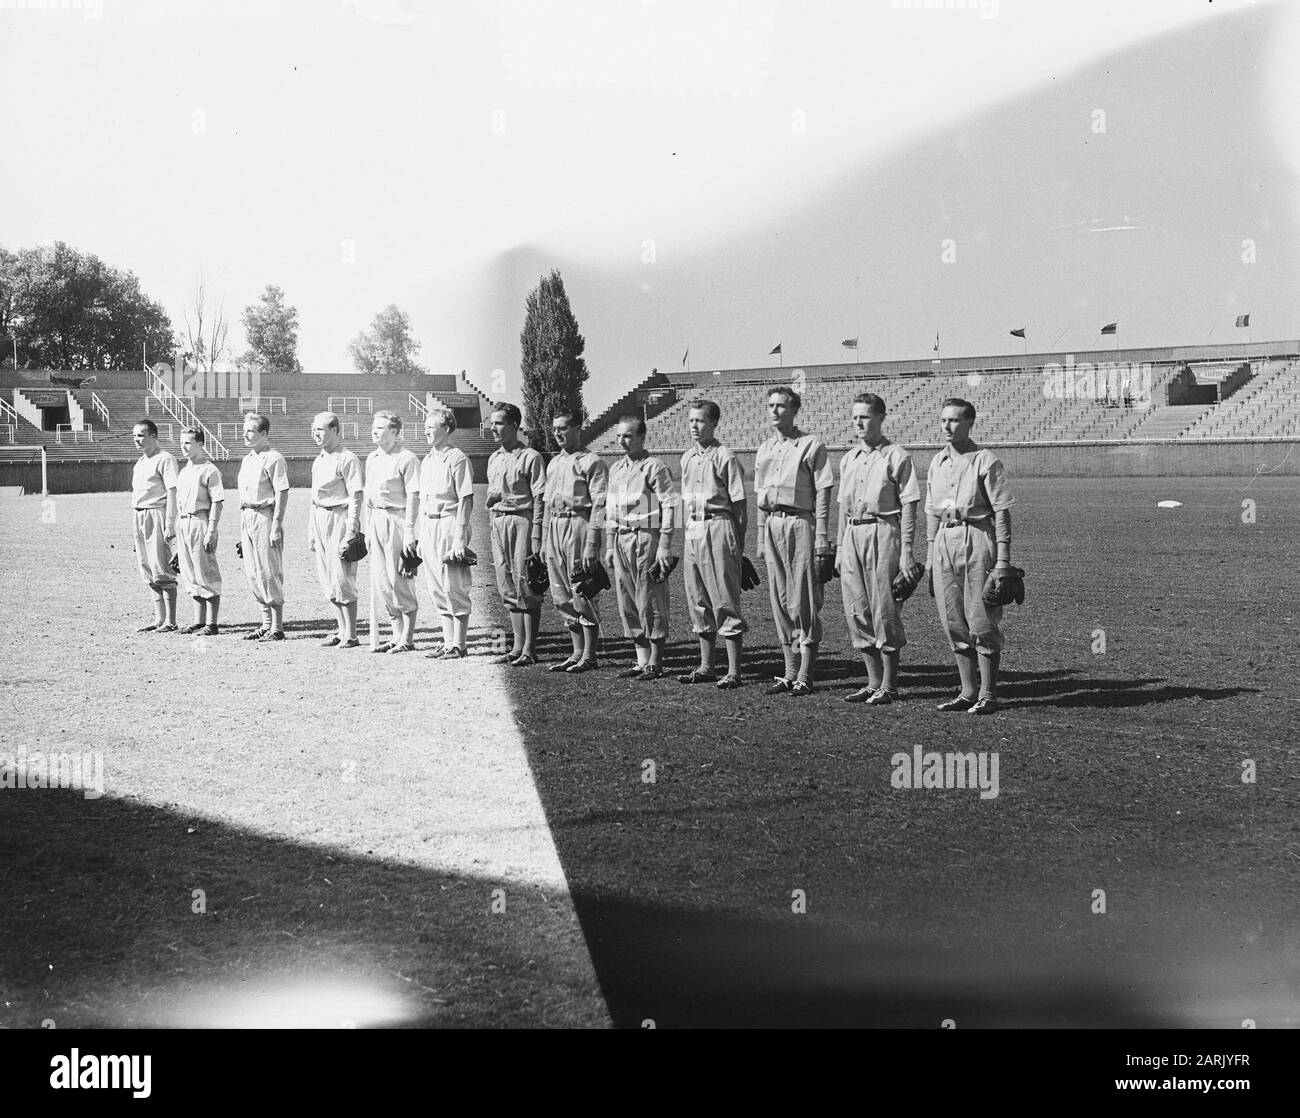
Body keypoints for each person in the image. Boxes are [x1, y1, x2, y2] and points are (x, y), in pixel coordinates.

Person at [924, 397, 1016, 715]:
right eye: (943, 420)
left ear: (969, 423)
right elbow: (931, 512)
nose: (947, 426)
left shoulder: (986, 461)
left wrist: (1002, 561)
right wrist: (929, 558)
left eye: (954, 420)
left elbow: (1002, 512)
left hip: (977, 537)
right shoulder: (937, 462)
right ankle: (966, 691)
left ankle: (988, 694)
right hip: (944, 543)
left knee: (981, 620)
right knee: (953, 621)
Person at [836, 393, 921, 704]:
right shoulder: (848, 459)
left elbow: (910, 504)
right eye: (855, 416)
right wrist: (839, 548)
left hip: (883, 531)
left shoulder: (897, 456)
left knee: (884, 609)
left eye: (866, 417)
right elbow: (843, 509)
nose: (859, 423)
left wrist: (907, 552)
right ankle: (872, 683)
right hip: (852, 536)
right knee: (856, 610)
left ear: (881, 418)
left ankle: (889, 684)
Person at [754, 386, 834, 696]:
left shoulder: (811, 445)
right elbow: (761, 496)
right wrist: (762, 535)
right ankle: (788, 670)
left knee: (803, 598)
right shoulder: (764, 449)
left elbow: (824, 491)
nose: (775, 411)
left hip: (801, 523)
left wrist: (823, 535)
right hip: (773, 525)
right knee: (779, 597)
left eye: (782, 406)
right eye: (771, 405)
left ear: (795, 409)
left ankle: (805, 672)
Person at [677, 399, 748, 689]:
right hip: (694, 528)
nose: (695, 426)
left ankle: (734, 671)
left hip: (719, 525)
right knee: (697, 598)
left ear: (714, 423)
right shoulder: (686, 458)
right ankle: (706, 666)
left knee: (724, 598)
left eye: (701, 421)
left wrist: (738, 549)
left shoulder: (725, 457)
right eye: (692, 420)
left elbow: (740, 508)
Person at [605, 415, 678, 680]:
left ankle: (656, 662)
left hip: (646, 535)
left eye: (628, 436)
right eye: (619, 436)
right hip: (622, 537)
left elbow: (670, 505)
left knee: (650, 597)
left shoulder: (654, 467)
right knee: (627, 600)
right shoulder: (616, 469)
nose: (622, 441)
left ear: (641, 437)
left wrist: (664, 544)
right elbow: (611, 508)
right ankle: (641, 659)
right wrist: (610, 544)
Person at [543, 409, 608, 673]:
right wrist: (545, 539)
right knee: (561, 593)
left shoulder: (591, 461)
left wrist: (593, 542)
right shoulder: (554, 462)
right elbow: (547, 503)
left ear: (577, 428)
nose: (558, 433)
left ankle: (590, 655)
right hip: (556, 525)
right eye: (555, 429)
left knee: (581, 587)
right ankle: (576, 652)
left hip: (579, 523)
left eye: (563, 428)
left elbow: (601, 504)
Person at [485, 403, 547, 665]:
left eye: (499, 423)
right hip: (498, 521)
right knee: (506, 584)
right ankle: (516, 647)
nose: (493, 428)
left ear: (514, 426)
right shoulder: (494, 458)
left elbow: (540, 497)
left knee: (526, 583)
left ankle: (530, 649)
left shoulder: (530, 456)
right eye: (492, 423)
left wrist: (536, 535)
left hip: (522, 519)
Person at [418, 404, 475, 659]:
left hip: (450, 522)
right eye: (426, 426)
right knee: (435, 586)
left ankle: (460, 644)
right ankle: (447, 641)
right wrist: (420, 535)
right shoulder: (428, 459)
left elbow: (466, 498)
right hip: (429, 524)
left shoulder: (457, 458)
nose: (426, 430)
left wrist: (460, 537)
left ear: (447, 428)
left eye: (432, 426)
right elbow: (422, 500)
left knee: (454, 584)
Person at [364, 409, 421, 653]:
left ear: (395, 432)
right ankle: (396, 634)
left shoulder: (406, 458)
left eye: (380, 428)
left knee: (399, 579)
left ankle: (407, 639)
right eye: (373, 427)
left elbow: (413, 496)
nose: (374, 431)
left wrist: (409, 531)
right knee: (382, 581)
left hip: (396, 520)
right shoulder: (372, 458)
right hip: (376, 519)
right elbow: (368, 497)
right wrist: (367, 529)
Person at [308, 411, 364, 648]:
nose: (316, 434)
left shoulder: (347, 458)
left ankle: (351, 634)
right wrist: (311, 532)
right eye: (314, 429)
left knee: (342, 576)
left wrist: (351, 529)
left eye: (320, 429)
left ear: (335, 430)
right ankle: (341, 631)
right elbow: (313, 498)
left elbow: (356, 495)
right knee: (327, 578)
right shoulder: (319, 459)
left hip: (339, 518)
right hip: (320, 518)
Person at [237, 411, 291, 641]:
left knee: (269, 571)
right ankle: (265, 623)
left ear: (263, 433)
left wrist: (276, 524)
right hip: (247, 515)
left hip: (265, 516)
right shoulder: (248, 458)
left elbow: (282, 491)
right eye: (244, 430)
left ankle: (277, 627)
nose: (245, 435)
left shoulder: (274, 458)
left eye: (250, 431)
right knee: (253, 571)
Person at [130, 418, 179, 633]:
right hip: (139, 516)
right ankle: (159, 619)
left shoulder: (165, 459)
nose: (136, 440)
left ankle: (171, 620)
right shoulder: (140, 462)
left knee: (162, 568)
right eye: (134, 436)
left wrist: (170, 524)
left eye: (141, 435)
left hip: (157, 513)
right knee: (147, 568)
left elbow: (172, 491)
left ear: (153, 436)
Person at [175, 426, 224, 636]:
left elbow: (217, 501)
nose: (183, 447)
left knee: (206, 572)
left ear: (200, 444)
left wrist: (211, 530)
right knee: (189, 573)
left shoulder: (209, 470)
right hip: (184, 522)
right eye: (182, 442)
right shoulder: (185, 470)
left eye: (188, 443)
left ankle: (211, 624)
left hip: (200, 521)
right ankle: (198, 621)